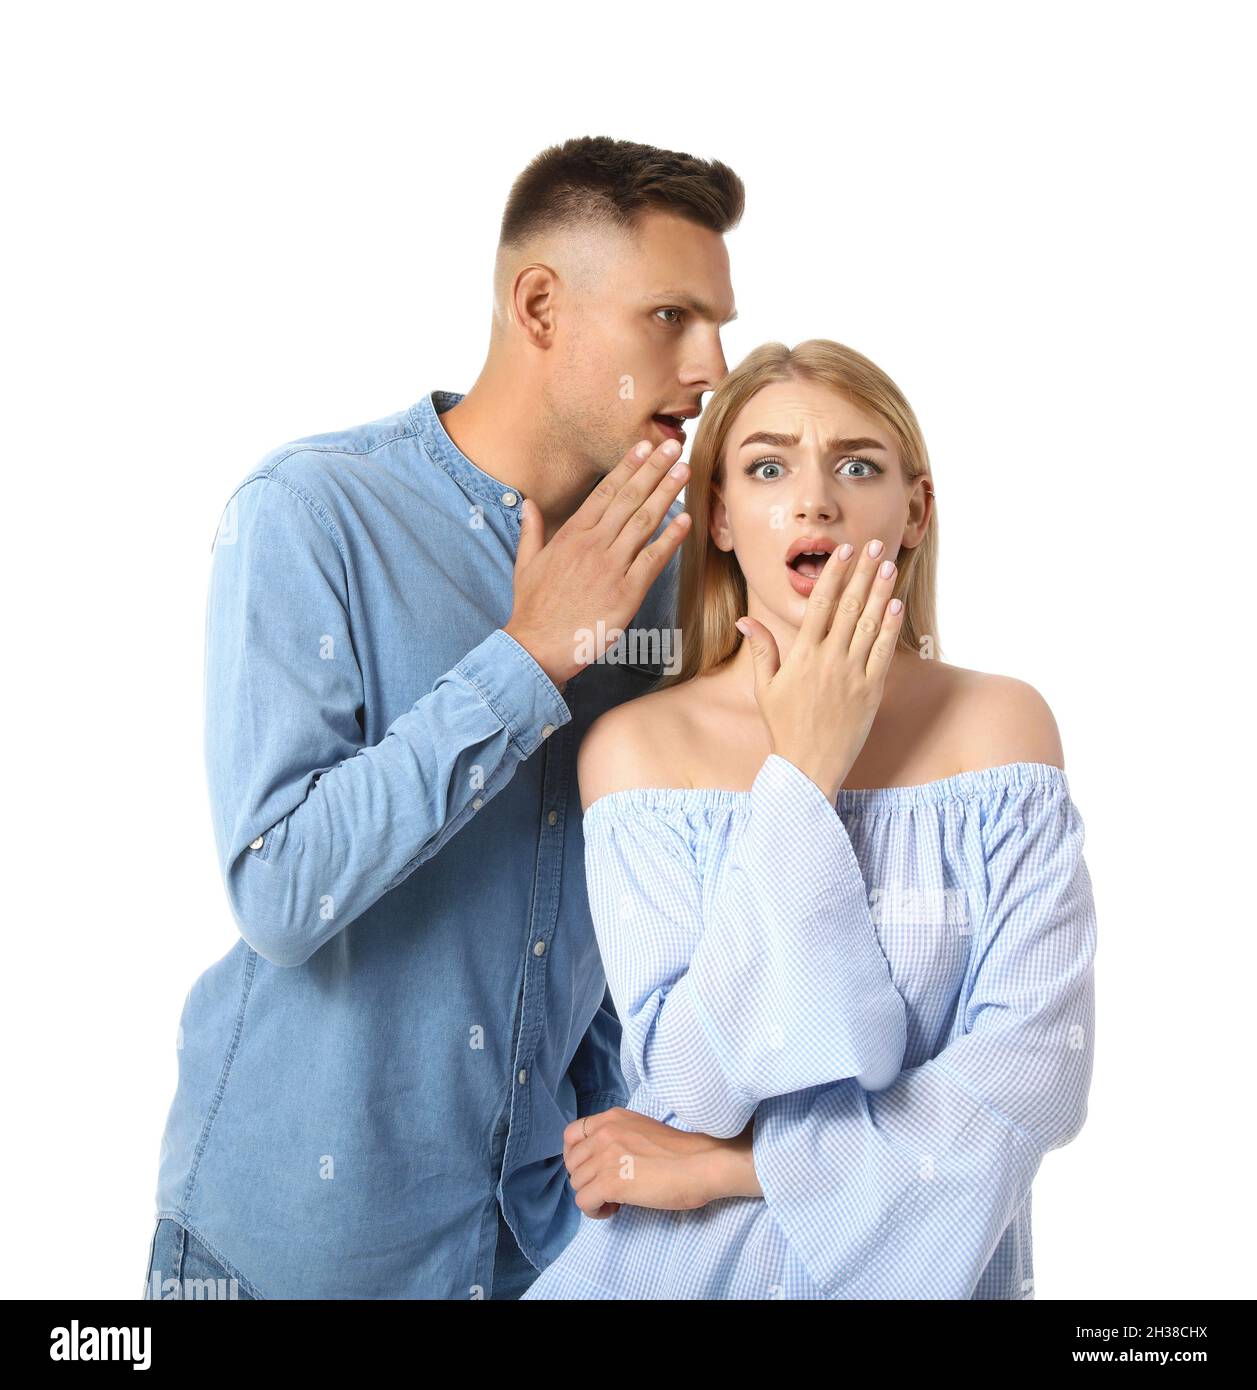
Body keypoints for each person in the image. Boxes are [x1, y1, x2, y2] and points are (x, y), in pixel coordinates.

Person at [143, 135, 744, 1299]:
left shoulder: (670, 586)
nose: (711, 361)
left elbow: (627, 921)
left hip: (540, 1248)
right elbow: (277, 887)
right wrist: (529, 657)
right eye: (670, 316)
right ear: (539, 307)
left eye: (718, 321)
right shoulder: (312, 514)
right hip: (294, 1259)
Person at [521, 339, 1098, 1299]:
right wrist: (804, 773)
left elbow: (1036, 1073)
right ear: (718, 516)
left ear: (914, 513)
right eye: (767, 465)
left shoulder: (1000, 728)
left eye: (858, 465)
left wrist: (730, 1168)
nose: (815, 498)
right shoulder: (635, 750)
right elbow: (696, 1082)